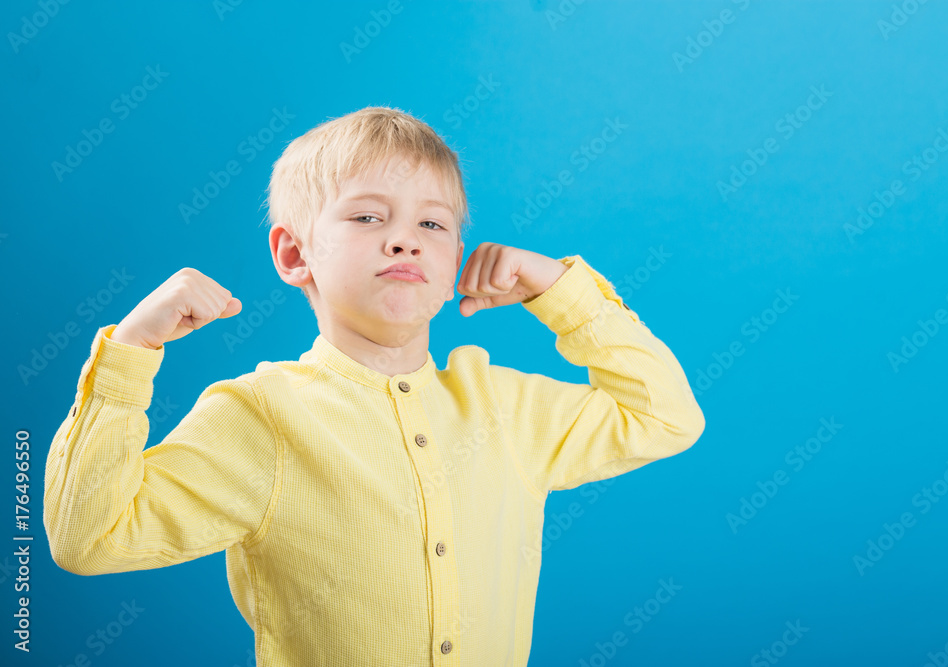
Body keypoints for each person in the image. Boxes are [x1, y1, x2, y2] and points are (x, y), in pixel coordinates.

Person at [44, 106, 706, 666]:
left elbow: (666, 416)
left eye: (432, 224)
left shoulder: (505, 408)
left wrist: (562, 292)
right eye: (367, 218)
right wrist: (129, 353)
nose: (404, 242)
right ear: (294, 254)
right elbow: (88, 537)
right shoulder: (260, 416)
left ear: (454, 260)